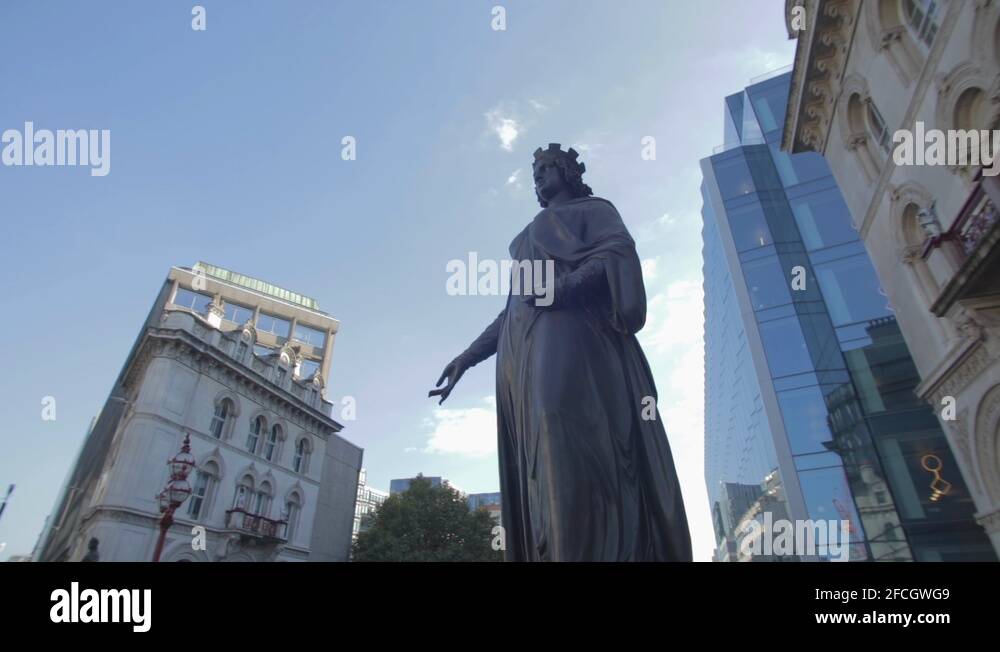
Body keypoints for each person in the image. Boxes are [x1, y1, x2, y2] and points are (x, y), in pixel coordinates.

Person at [430, 144, 692, 561]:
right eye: (534, 170)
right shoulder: (527, 235)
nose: (538, 175)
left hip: (571, 332)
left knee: (557, 421)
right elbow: (513, 307)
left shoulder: (595, 210)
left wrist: (565, 289)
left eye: (546, 167)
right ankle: (552, 547)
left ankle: (591, 547)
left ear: (568, 172)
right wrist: (468, 356)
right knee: (537, 459)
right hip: (520, 353)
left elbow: (616, 254)